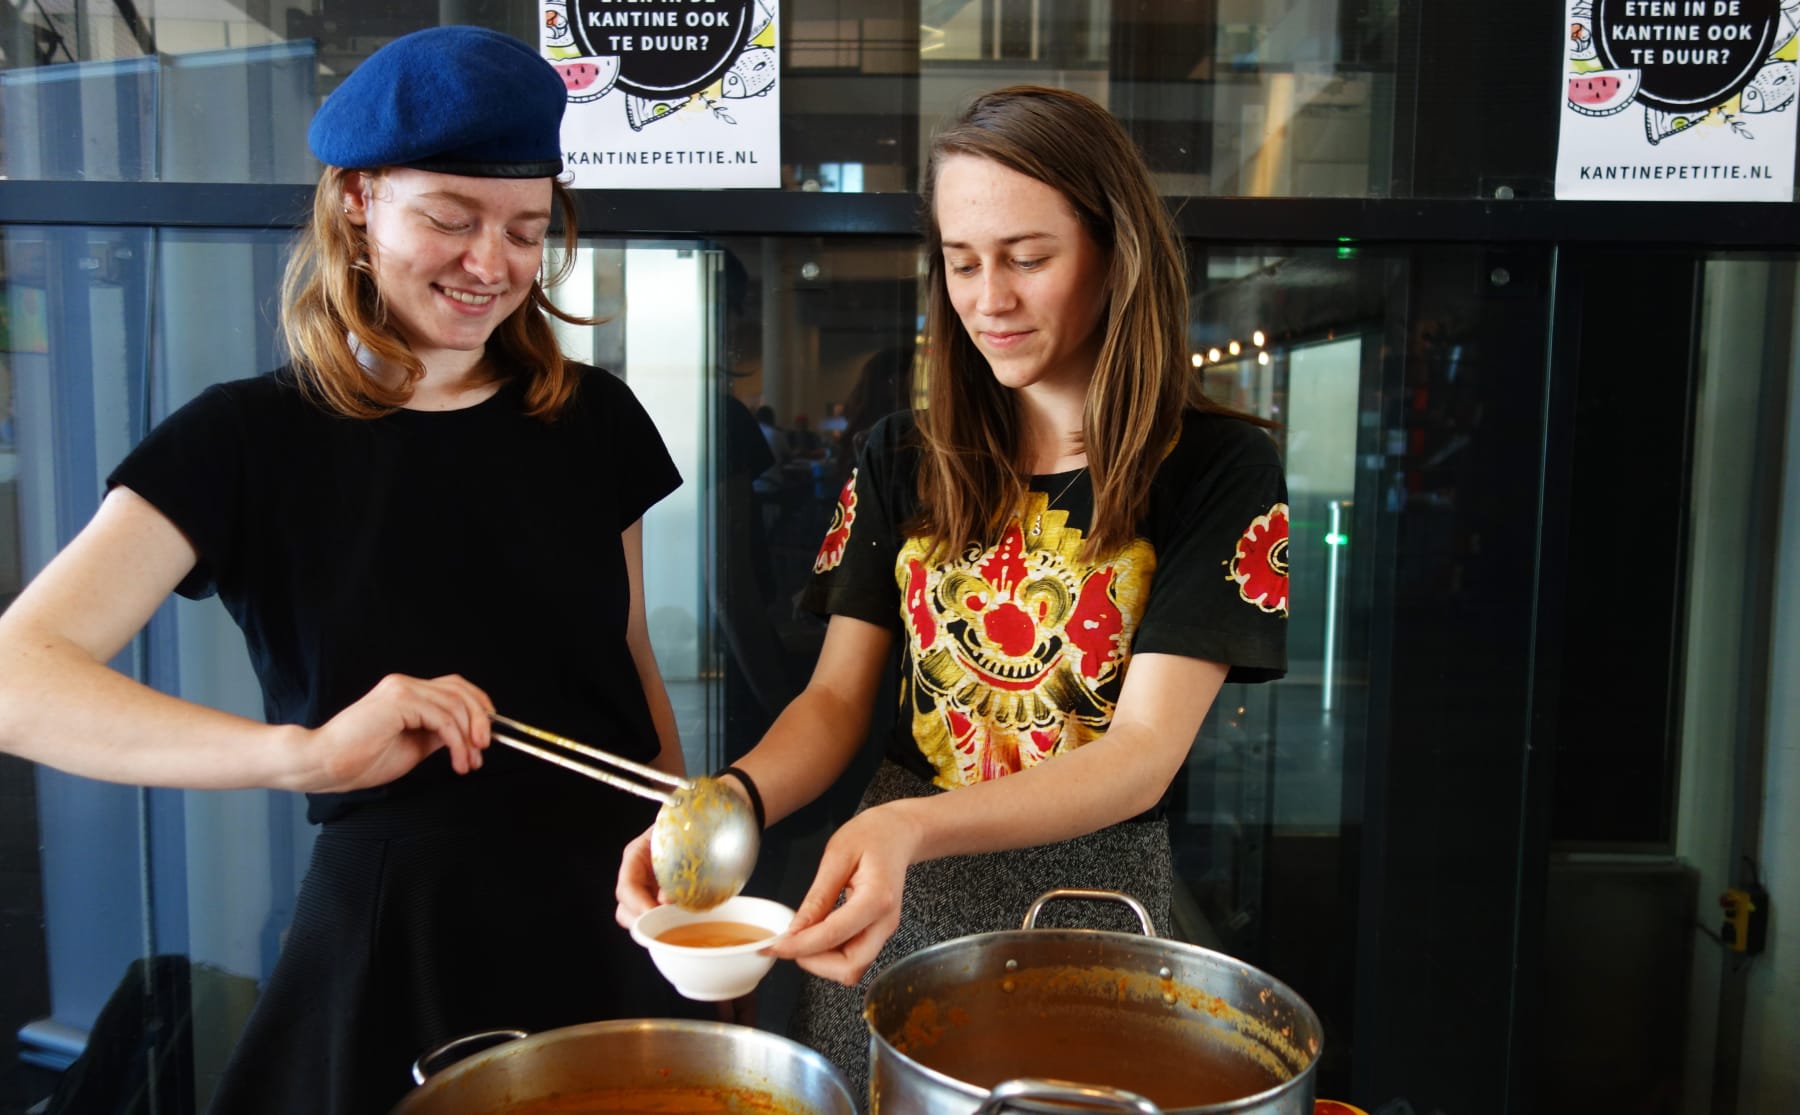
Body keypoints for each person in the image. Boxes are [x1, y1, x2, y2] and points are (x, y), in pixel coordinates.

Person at [0, 25, 699, 1115]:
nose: (491, 265)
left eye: (524, 229)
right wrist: (304, 754)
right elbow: (18, 676)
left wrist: (684, 847)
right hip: (398, 931)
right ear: (359, 200)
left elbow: (626, 651)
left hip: (612, 905)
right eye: (450, 219)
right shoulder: (244, 438)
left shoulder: (592, 417)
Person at [615, 84, 1292, 1098]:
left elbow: (1142, 755)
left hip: (1085, 907)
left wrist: (907, 826)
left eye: (1028, 257)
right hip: (888, 904)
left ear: (1115, 255)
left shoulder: (1214, 467)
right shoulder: (904, 457)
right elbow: (837, 701)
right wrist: (725, 802)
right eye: (963, 262)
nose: (989, 298)